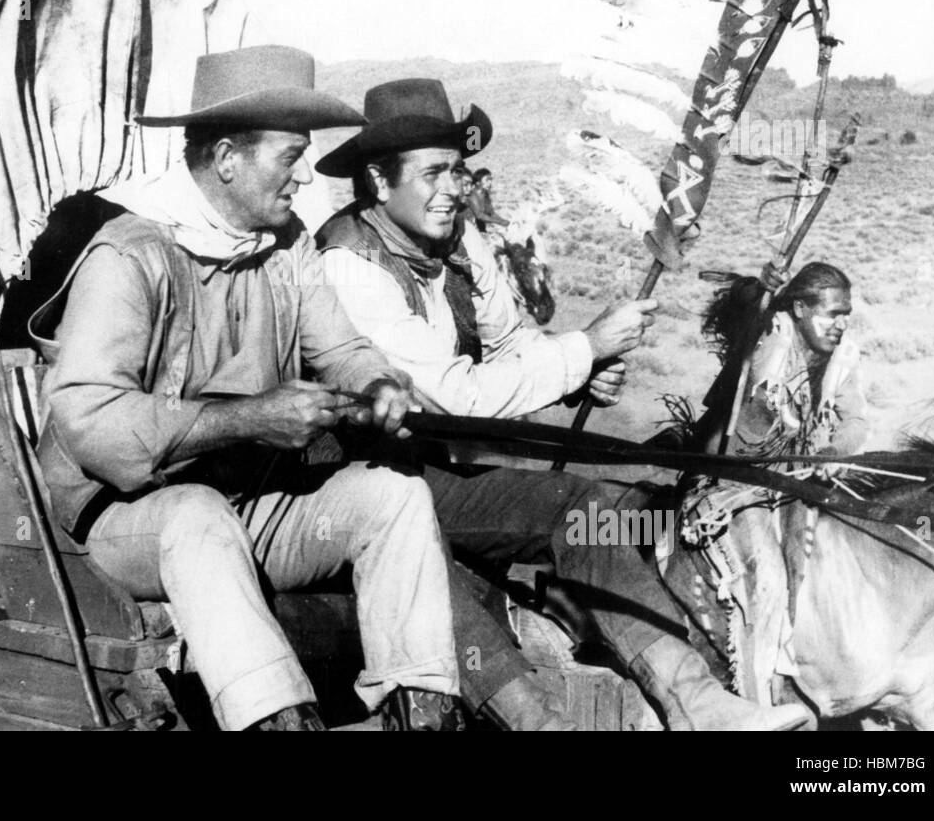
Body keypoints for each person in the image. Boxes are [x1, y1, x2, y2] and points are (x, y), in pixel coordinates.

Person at [314, 77, 812, 731]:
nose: (454, 188)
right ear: (380, 180)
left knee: (586, 507)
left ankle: (700, 703)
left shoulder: (457, 241)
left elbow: (514, 341)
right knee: (423, 555)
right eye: (433, 172)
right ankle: (534, 720)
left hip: (428, 473)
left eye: (458, 171)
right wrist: (583, 347)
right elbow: (452, 394)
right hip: (351, 484)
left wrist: (579, 372)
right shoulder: (349, 265)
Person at [29, 47, 461, 731]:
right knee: (196, 511)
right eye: (289, 157)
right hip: (127, 524)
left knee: (396, 495)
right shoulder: (131, 255)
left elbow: (341, 347)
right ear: (227, 157)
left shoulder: (285, 246)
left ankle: (427, 711)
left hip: (251, 508)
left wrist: (377, 383)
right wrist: (248, 419)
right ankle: (279, 721)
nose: (302, 180)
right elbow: (92, 421)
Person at [694, 262, 867, 462]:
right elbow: (748, 307)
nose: (842, 324)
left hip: (792, 475)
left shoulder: (843, 355)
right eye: (833, 314)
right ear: (800, 308)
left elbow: (855, 419)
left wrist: (835, 452)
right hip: (729, 468)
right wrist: (762, 288)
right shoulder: (771, 332)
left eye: (846, 314)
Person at [467, 167, 509, 234]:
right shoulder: (472, 195)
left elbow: (491, 213)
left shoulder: (485, 194)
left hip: (480, 228)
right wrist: (500, 222)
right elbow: (480, 216)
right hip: (468, 229)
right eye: (487, 180)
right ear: (478, 182)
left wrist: (504, 221)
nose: (490, 182)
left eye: (490, 179)